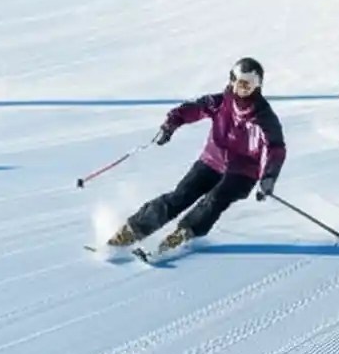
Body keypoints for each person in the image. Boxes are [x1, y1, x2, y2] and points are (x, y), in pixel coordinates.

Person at [106, 57, 286, 253]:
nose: (244, 88)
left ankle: (184, 234)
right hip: (212, 161)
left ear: (258, 86)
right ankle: (133, 230)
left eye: (250, 84)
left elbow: (276, 149)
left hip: (243, 172)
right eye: (241, 82)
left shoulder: (264, 117)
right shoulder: (220, 103)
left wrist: (268, 178)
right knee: (181, 195)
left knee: (215, 199)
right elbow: (193, 108)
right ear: (232, 80)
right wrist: (171, 124)